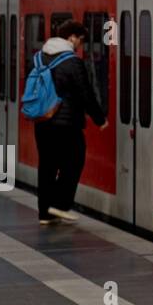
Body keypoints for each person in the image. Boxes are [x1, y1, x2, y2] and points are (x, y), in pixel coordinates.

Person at [35, 19, 106, 226]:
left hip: (42, 121)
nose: (80, 45)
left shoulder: (41, 57)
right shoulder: (72, 61)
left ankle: (44, 214)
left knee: (47, 166)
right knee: (75, 161)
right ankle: (60, 203)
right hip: (66, 124)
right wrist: (99, 119)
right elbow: (86, 93)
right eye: (80, 40)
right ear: (71, 37)